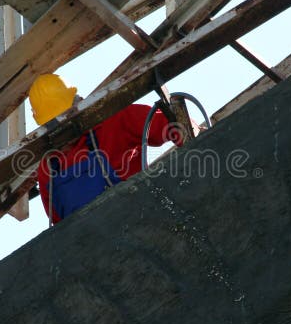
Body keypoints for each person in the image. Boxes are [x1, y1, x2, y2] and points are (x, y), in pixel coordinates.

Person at [29, 74, 181, 224]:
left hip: (143, 220)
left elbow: (173, 126)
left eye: (66, 120)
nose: (63, 130)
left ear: (79, 104)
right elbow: (61, 227)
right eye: (56, 126)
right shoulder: (48, 169)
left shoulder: (115, 121)